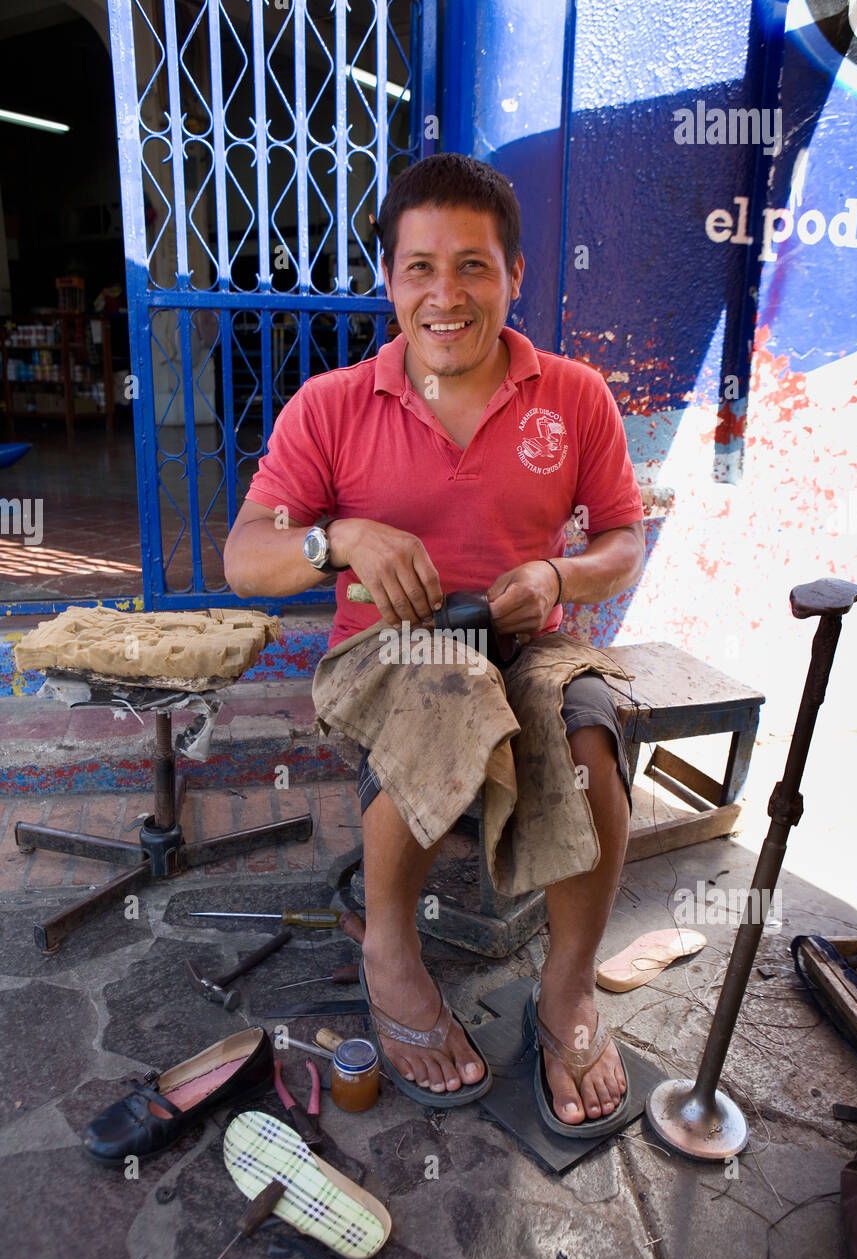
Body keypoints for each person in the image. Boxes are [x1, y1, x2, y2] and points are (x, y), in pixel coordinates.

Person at [224, 153, 645, 1131]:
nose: (443, 295)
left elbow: (620, 540)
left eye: (471, 266)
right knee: (443, 690)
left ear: (515, 277)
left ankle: (567, 990)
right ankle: (388, 952)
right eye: (419, 268)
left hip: (524, 640)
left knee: (587, 741)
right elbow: (247, 556)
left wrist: (556, 577)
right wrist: (338, 539)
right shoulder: (329, 404)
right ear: (387, 279)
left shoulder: (573, 394)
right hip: (386, 652)